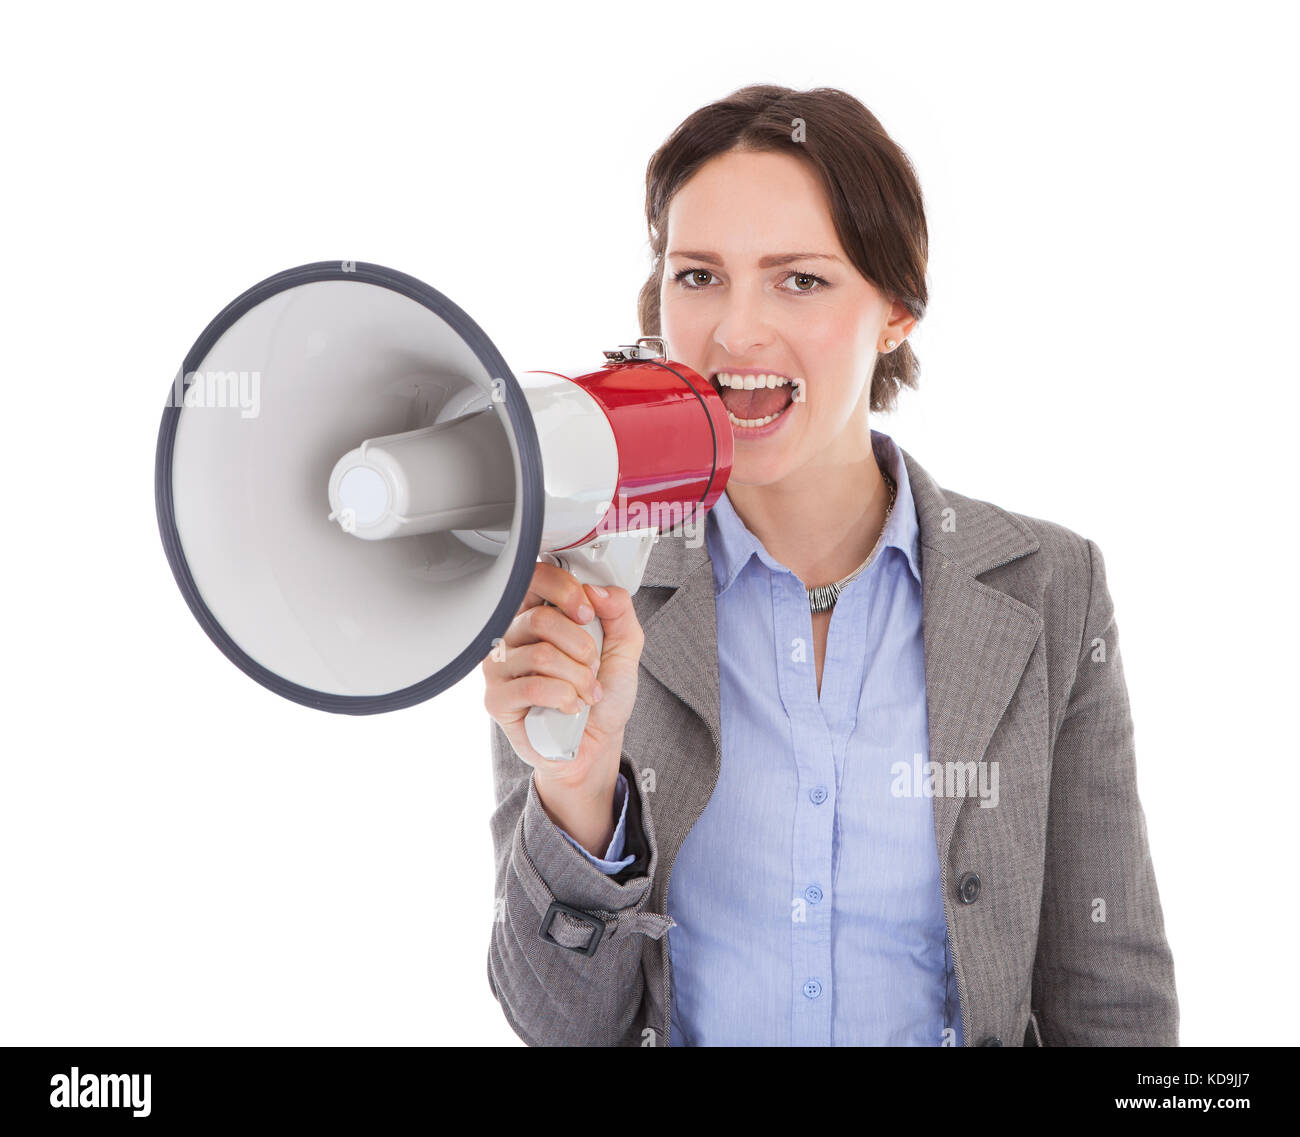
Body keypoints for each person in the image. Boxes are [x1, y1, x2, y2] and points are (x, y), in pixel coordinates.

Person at [481, 84, 1178, 1047]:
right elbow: (558, 1026)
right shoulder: (587, 580)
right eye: (698, 276)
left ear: (896, 308)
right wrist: (577, 791)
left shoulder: (1051, 588)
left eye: (799, 279)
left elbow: (1112, 996)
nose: (736, 332)